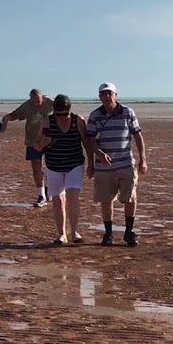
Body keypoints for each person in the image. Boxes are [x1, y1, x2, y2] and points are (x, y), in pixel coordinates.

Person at [84, 82, 148, 247]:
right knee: (106, 200)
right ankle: (108, 233)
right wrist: (98, 155)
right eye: (103, 94)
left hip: (126, 164)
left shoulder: (127, 112)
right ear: (99, 97)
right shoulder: (95, 116)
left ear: (115, 95)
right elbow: (90, 141)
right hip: (103, 167)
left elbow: (137, 135)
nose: (106, 97)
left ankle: (129, 232)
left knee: (130, 198)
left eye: (109, 93)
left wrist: (143, 159)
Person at [33, 94, 87, 245]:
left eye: (65, 114)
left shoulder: (78, 121)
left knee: (72, 195)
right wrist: (42, 143)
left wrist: (92, 164)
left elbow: (87, 143)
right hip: (53, 165)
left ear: (70, 110)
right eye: (58, 114)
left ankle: (74, 231)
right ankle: (61, 233)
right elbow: (36, 144)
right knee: (57, 199)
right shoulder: (47, 122)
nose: (62, 117)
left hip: (74, 163)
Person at [5, 88, 55, 208]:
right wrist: (6, 118)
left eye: (38, 101)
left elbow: (64, 109)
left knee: (51, 166)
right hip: (32, 140)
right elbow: (15, 115)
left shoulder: (50, 102)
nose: (37, 104)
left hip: (49, 139)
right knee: (36, 167)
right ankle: (41, 195)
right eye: (34, 101)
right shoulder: (27, 106)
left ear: (42, 97)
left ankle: (49, 187)